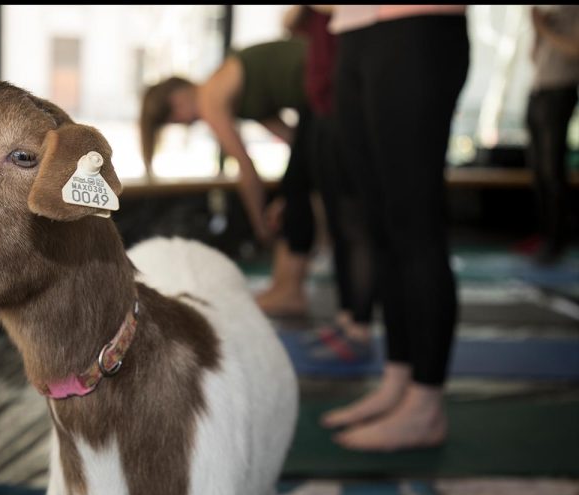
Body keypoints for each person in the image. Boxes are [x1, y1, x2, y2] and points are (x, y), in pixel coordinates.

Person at [321, 5, 470, 451]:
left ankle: (426, 403)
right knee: (379, 225)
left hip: (418, 25)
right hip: (353, 29)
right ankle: (398, 379)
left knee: (415, 224)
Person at [140, 34, 315, 317]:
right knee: (295, 185)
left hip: (324, 78)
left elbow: (246, 170)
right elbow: (297, 142)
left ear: (178, 99)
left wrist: (259, 225)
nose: (188, 124)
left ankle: (290, 291)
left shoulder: (211, 97)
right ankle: (284, 286)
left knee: (294, 189)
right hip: (319, 87)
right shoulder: (239, 95)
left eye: (177, 121)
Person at [284, 5, 376, 362]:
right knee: (339, 224)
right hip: (323, 108)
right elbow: (293, 22)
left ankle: (360, 327)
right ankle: (346, 317)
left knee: (357, 224)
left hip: (347, 109)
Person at [526, 5, 579, 266]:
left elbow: (575, 48)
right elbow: (533, 57)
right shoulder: (553, 16)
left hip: (561, 90)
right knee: (537, 168)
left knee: (552, 168)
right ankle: (544, 233)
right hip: (539, 89)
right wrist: (537, 31)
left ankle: (558, 239)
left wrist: (544, 29)